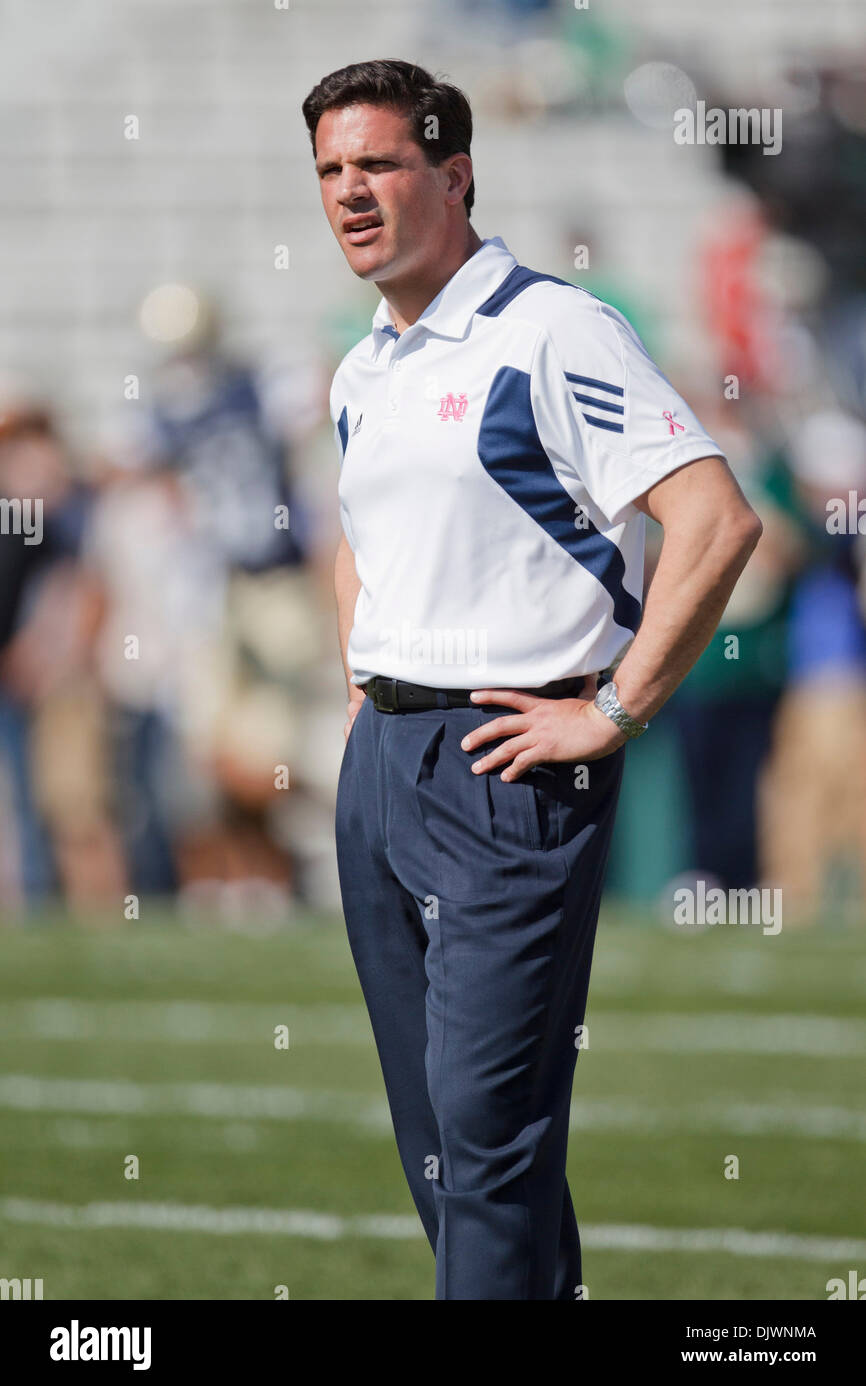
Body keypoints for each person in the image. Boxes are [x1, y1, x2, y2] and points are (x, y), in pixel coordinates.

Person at [302, 59, 762, 1300]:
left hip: (506, 762)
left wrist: (613, 708)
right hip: (383, 763)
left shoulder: (551, 328)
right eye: (331, 172)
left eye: (378, 165)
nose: (349, 194)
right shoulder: (366, 367)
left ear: (452, 174)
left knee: (487, 1138)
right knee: (444, 1150)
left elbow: (713, 520)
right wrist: (365, 692)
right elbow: (361, 543)